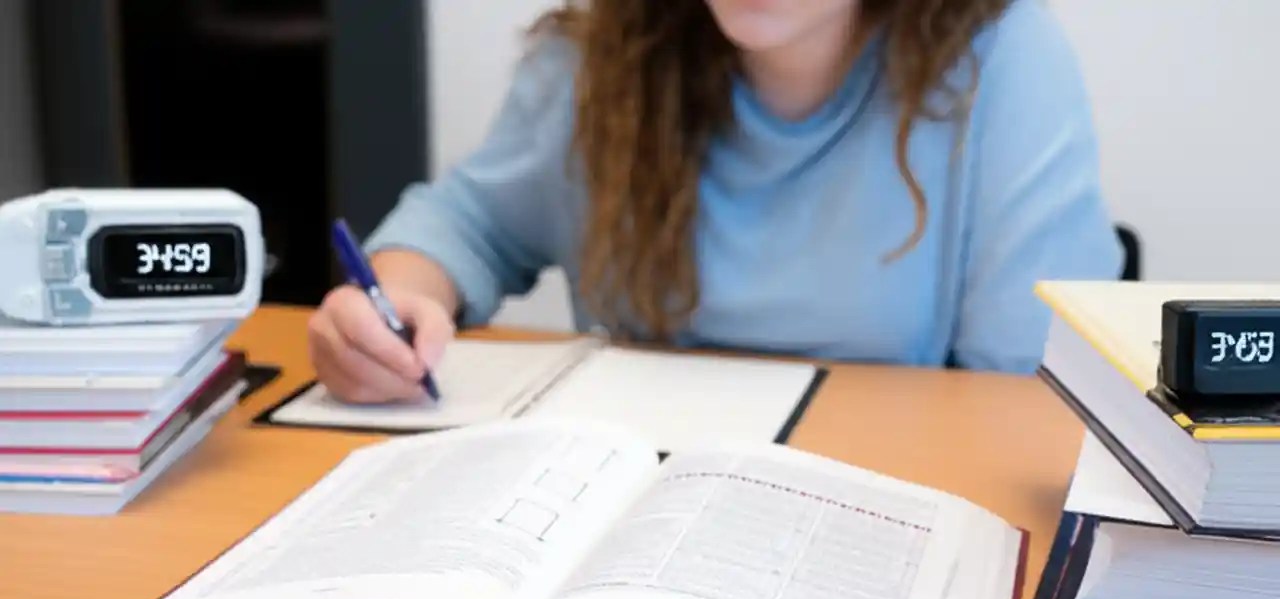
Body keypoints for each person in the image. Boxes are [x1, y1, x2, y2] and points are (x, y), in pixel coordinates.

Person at [308, 0, 1122, 404]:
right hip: (632, 511)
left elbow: (1028, 399)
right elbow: (467, 225)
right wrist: (390, 303)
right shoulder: (598, 61)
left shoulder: (1003, 57)